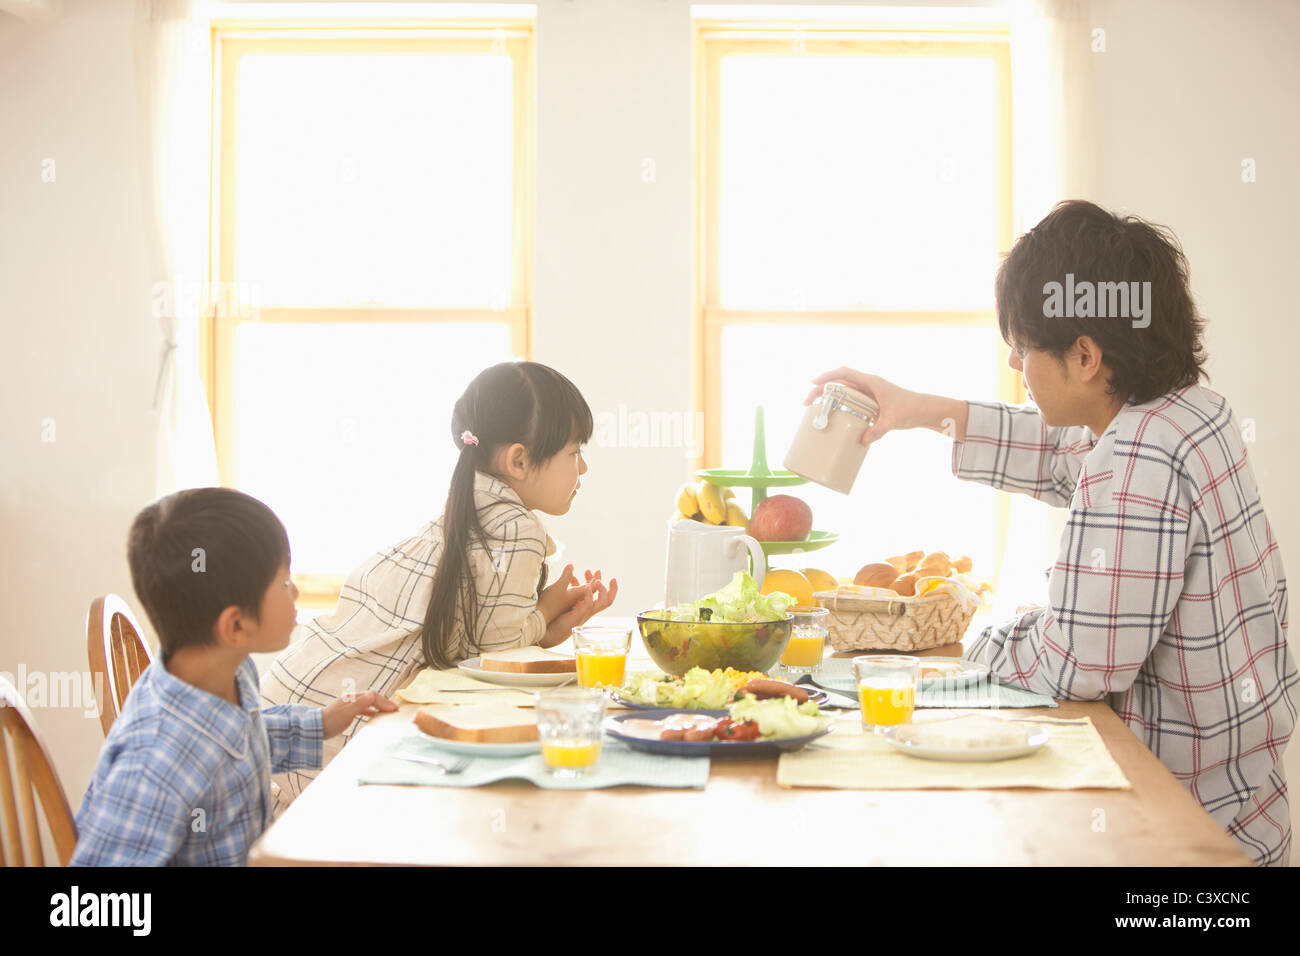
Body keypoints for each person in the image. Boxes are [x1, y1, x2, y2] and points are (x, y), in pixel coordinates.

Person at [807, 200, 1297, 866]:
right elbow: (1063, 451)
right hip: (1248, 803)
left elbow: (1078, 664)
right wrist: (918, 410)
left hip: (1184, 834)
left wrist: (981, 639)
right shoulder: (1186, 412)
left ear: (1087, 356)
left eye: (1024, 346)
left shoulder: (1136, 461)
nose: (1014, 362)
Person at [261, 361, 617, 807]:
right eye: (574, 451)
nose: (583, 468)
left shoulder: (469, 502)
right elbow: (497, 653)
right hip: (332, 744)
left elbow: (479, 641)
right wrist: (544, 614)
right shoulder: (516, 530)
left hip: (294, 700)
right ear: (520, 460)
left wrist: (545, 626)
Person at [72, 488, 396, 866]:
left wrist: (321, 722)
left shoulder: (229, 670)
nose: (295, 591)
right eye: (283, 582)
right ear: (235, 625)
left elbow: (242, 739)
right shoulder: (155, 763)